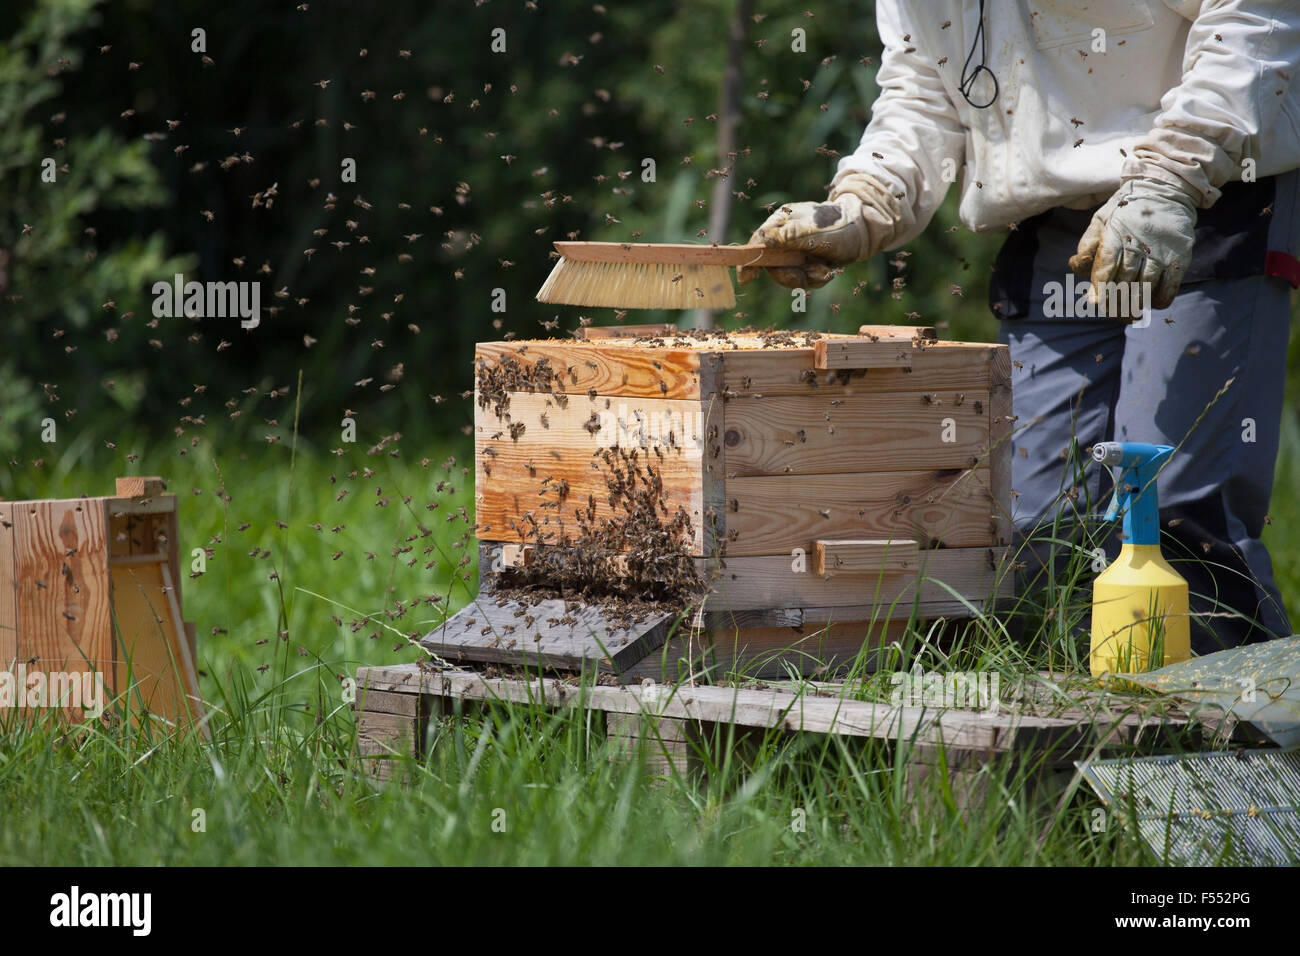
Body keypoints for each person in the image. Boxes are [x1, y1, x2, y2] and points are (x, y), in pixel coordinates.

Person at [739, 0, 1300, 653]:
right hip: (1050, 219)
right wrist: (866, 200)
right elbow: (925, 91)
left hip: (1209, 190)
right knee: (1041, 529)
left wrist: (1171, 179)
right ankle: (1083, 738)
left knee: (1179, 514)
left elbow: (1255, 19)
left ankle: (1242, 738)